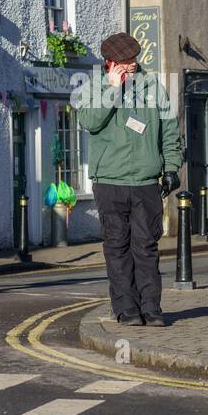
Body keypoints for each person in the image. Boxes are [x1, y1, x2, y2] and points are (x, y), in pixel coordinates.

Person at [73, 33, 182, 327]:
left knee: (146, 247)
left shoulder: (153, 86)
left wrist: (171, 166)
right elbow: (90, 121)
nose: (131, 66)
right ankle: (126, 309)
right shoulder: (93, 88)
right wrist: (111, 89)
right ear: (109, 63)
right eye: (124, 62)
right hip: (110, 181)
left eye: (133, 59)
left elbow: (170, 130)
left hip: (146, 182)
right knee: (117, 247)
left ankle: (152, 308)